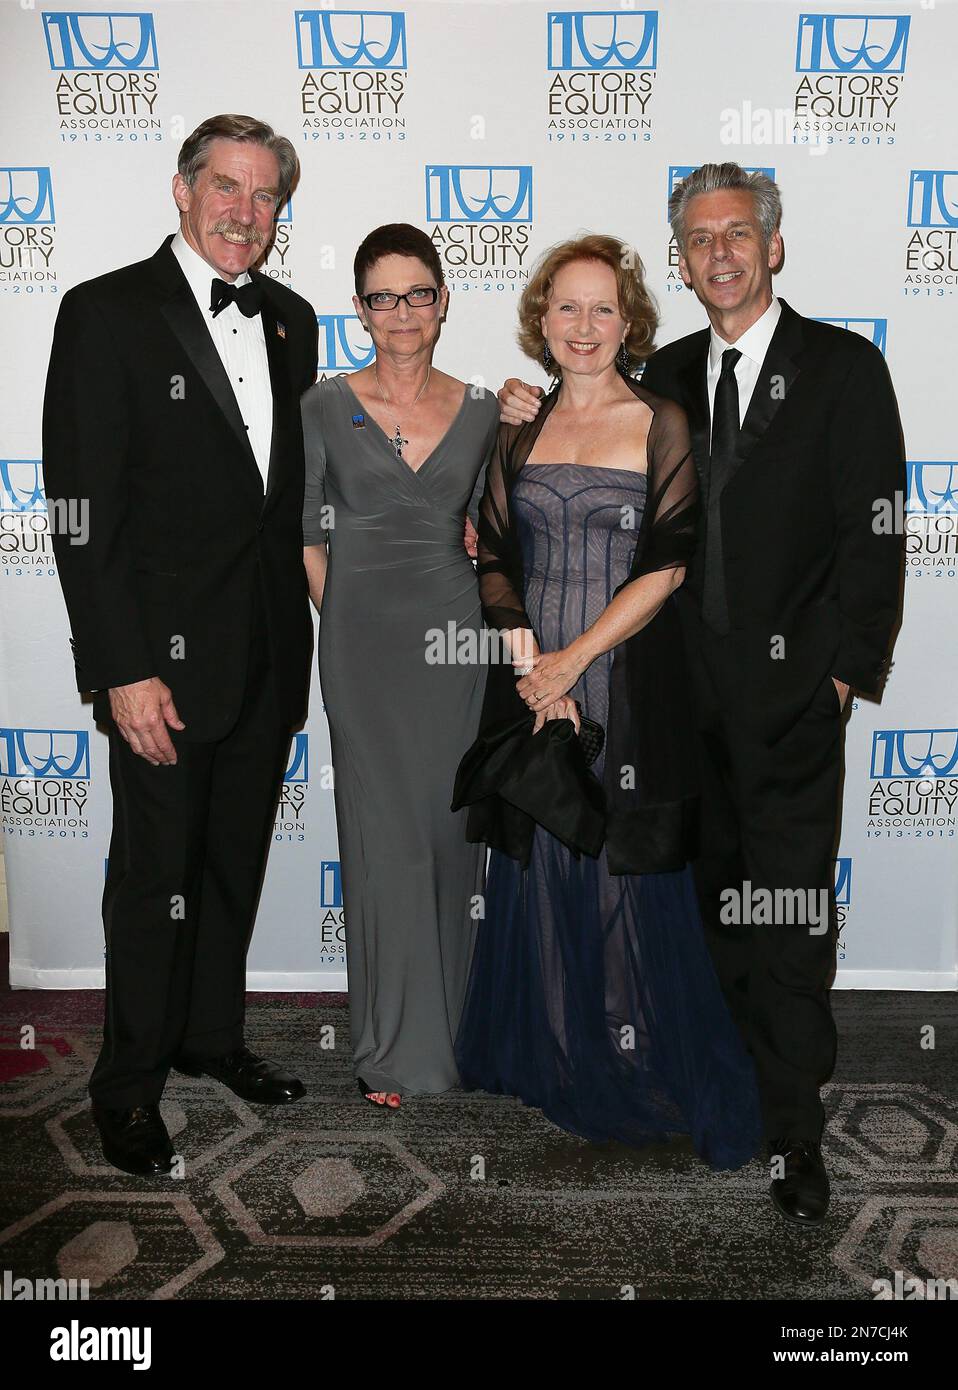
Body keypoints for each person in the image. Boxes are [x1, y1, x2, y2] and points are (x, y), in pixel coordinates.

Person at [498, 167, 905, 1225]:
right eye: (695, 238)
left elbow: (875, 525)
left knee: (786, 912)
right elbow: (580, 420)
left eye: (735, 233)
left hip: (788, 701)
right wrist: (526, 405)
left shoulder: (843, 368)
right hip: (670, 701)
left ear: (773, 246)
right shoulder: (667, 370)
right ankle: (720, 1084)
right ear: (677, 260)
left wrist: (844, 669)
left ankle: (793, 1129)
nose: (716, 252)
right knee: (703, 905)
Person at [42, 114, 319, 1177]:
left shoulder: (291, 318)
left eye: (264, 195)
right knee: (154, 877)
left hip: (265, 656)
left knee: (228, 865)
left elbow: (289, 502)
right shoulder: (106, 312)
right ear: (182, 188)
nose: (245, 210)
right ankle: (128, 1086)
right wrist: (120, 669)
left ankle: (210, 1036)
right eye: (227, 187)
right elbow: (83, 509)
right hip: (157, 663)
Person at [456, 235, 762, 1171]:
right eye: (565, 308)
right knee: (544, 865)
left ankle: (630, 1054)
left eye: (601, 309)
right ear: (538, 322)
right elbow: (494, 554)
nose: (583, 327)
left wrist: (572, 663)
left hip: (622, 680)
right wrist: (528, 664)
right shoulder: (518, 424)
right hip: (529, 676)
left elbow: (669, 566)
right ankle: (557, 1051)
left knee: (624, 874)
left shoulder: (661, 421)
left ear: (626, 321)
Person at [302, 223, 498, 1109]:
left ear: (444, 300)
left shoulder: (489, 408)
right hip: (360, 646)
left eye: (418, 293)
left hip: (455, 645)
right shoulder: (320, 405)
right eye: (383, 296)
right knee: (381, 845)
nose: (402, 313)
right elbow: (305, 533)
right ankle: (391, 1045)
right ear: (360, 310)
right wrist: (342, 614)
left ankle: (458, 1030)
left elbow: (504, 525)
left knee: (449, 834)